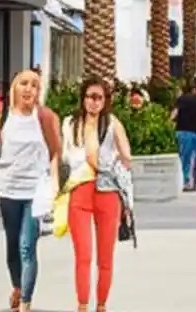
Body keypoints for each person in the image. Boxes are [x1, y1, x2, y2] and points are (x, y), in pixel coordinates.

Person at [62, 76, 133, 312]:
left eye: (99, 97)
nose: (94, 102)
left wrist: (113, 162)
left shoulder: (112, 123)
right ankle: (82, 305)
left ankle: (101, 305)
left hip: (107, 192)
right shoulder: (70, 123)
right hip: (80, 189)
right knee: (83, 255)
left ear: (106, 101)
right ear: (83, 98)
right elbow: (66, 156)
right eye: (90, 97)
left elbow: (127, 157)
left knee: (106, 257)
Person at [0, 69, 61, 312]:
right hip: (8, 190)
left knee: (26, 245)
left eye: (34, 85)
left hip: (36, 192)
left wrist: (53, 185)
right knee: (12, 245)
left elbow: (56, 153)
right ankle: (17, 286)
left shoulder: (45, 116)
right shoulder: (2, 115)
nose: (28, 89)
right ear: (14, 87)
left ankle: (25, 303)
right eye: (23, 83)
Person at [172, 77, 196, 192]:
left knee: (185, 158)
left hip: (183, 131)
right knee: (194, 158)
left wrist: (168, 124)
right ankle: (193, 183)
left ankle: (187, 182)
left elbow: (175, 113)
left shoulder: (182, 99)